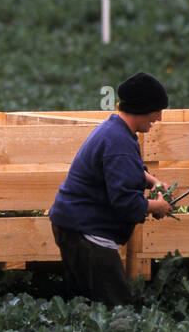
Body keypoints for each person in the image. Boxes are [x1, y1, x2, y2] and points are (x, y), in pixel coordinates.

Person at [48, 72, 173, 306]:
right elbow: (125, 202)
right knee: (116, 309)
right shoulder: (119, 143)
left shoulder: (114, 130)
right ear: (141, 107)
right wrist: (158, 205)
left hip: (73, 226)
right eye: (156, 110)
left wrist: (152, 182)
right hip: (87, 235)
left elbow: (124, 169)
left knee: (84, 303)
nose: (158, 117)